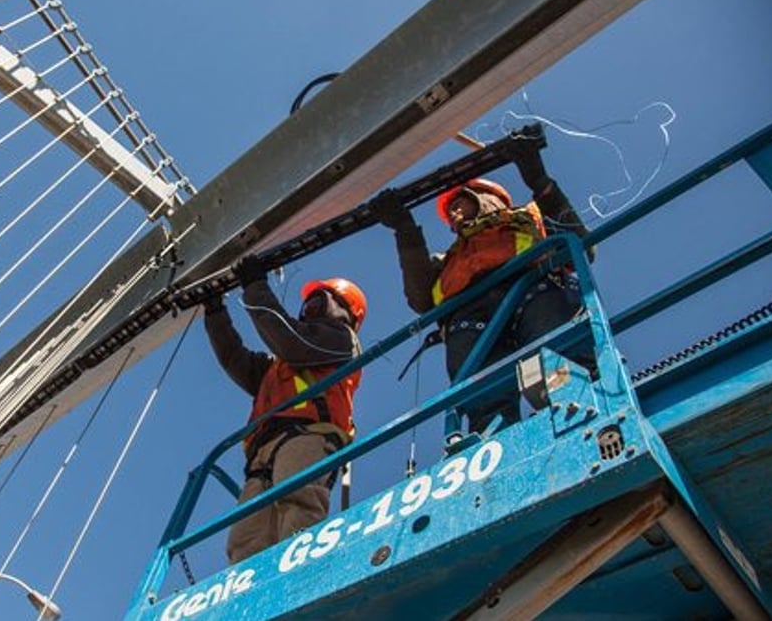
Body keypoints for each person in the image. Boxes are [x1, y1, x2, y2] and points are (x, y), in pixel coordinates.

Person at [371, 144, 590, 440]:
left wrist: (538, 179)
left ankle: (580, 402)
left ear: (486, 200)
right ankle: (493, 438)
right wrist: (405, 231)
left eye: (460, 203)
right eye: (450, 212)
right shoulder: (448, 261)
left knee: (556, 351)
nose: (453, 214)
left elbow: (582, 246)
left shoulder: (529, 219)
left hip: (532, 291)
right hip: (472, 319)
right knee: (483, 391)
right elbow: (421, 298)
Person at [204, 255, 366, 564]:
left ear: (345, 310)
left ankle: (300, 574)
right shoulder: (280, 367)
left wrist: (255, 287)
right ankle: (249, 595)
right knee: (246, 537)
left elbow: (291, 341)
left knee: (298, 500)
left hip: (309, 436)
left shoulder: (342, 343)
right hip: (263, 451)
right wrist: (215, 313)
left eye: (320, 299)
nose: (309, 306)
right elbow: (234, 358)